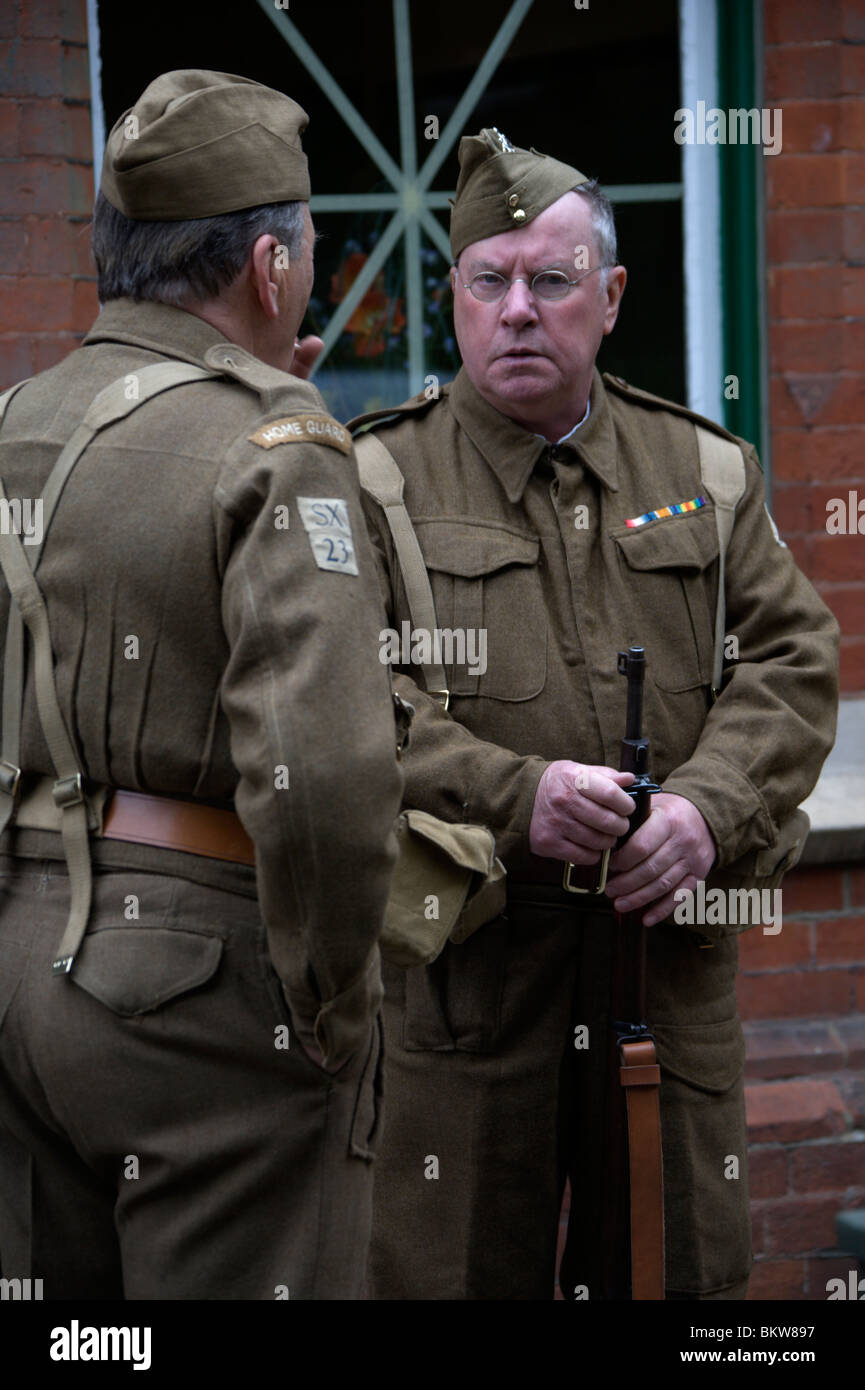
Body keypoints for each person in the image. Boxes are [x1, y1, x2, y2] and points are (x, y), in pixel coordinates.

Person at [351, 127, 839, 1300]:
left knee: (682, 1282)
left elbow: (790, 658)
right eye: (488, 280)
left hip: (662, 981)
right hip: (471, 991)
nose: (518, 309)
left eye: (551, 280)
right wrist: (519, 796)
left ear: (610, 296)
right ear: (455, 296)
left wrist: (708, 812)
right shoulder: (377, 481)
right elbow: (351, 702)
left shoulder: (706, 472)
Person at [0, 70, 402, 1300]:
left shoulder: (16, 417)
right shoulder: (274, 440)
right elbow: (325, 778)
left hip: (21, 955)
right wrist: (330, 1013)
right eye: (310, 255)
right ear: (271, 272)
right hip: (200, 982)